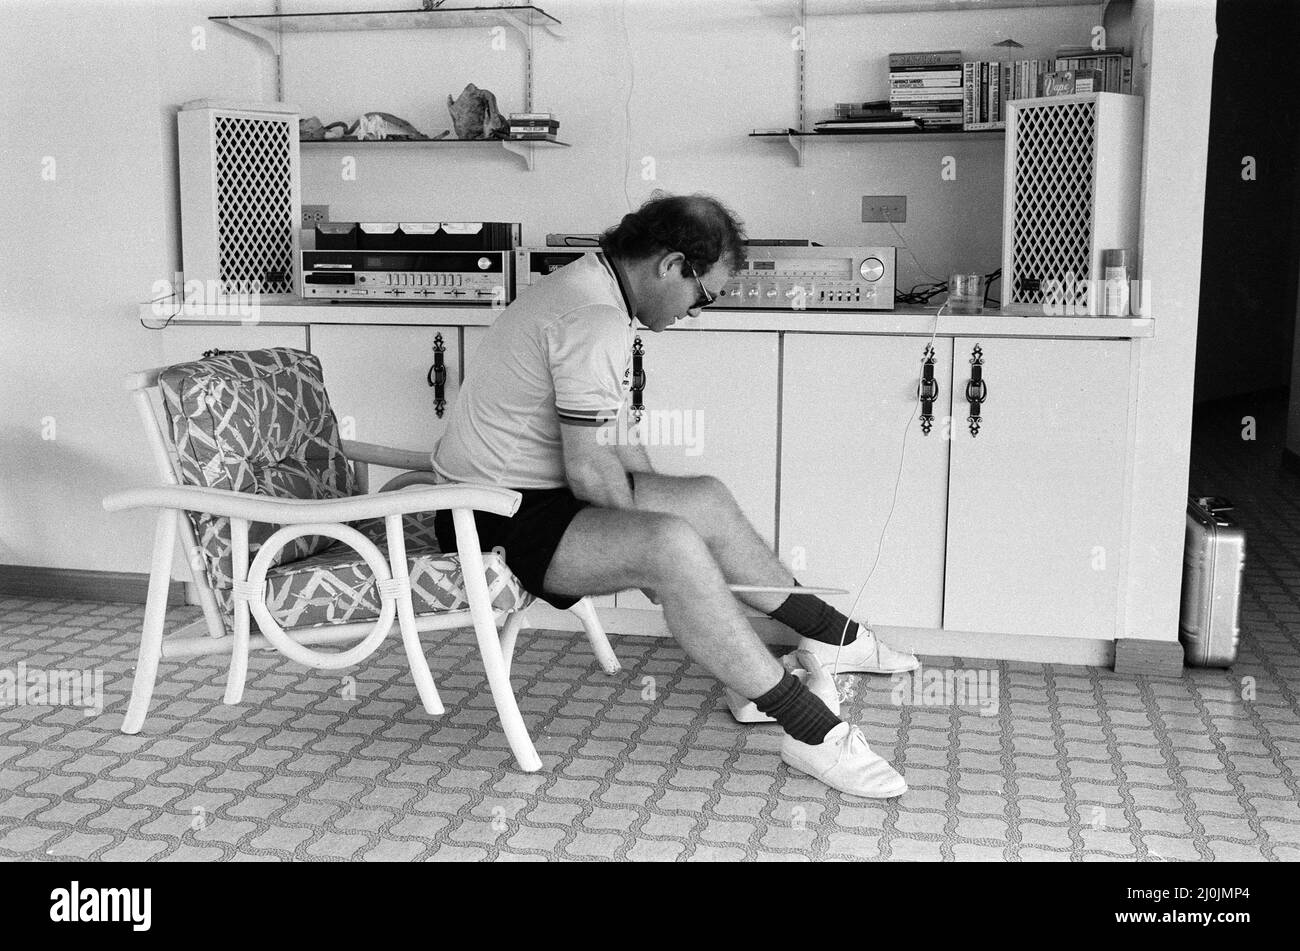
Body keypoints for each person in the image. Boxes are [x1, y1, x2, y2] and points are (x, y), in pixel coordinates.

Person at [432, 193, 919, 798]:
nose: (697, 310)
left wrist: (659, 514)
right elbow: (589, 472)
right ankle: (810, 730)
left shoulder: (593, 290)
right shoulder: (593, 318)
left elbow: (618, 439)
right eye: (702, 293)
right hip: (495, 514)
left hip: (535, 493)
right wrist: (653, 554)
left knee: (704, 500)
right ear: (670, 265)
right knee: (670, 546)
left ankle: (831, 636)